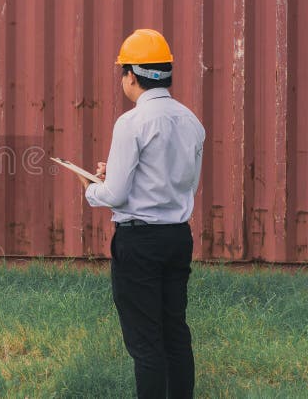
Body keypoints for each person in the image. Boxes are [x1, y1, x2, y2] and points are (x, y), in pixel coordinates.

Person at [74, 29, 205, 399]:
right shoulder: (191, 121)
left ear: (131, 75)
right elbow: (181, 182)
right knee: (175, 331)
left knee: (146, 342)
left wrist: (89, 188)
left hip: (139, 241)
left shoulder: (131, 122)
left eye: (122, 72)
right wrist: (115, 170)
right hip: (177, 237)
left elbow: (115, 194)